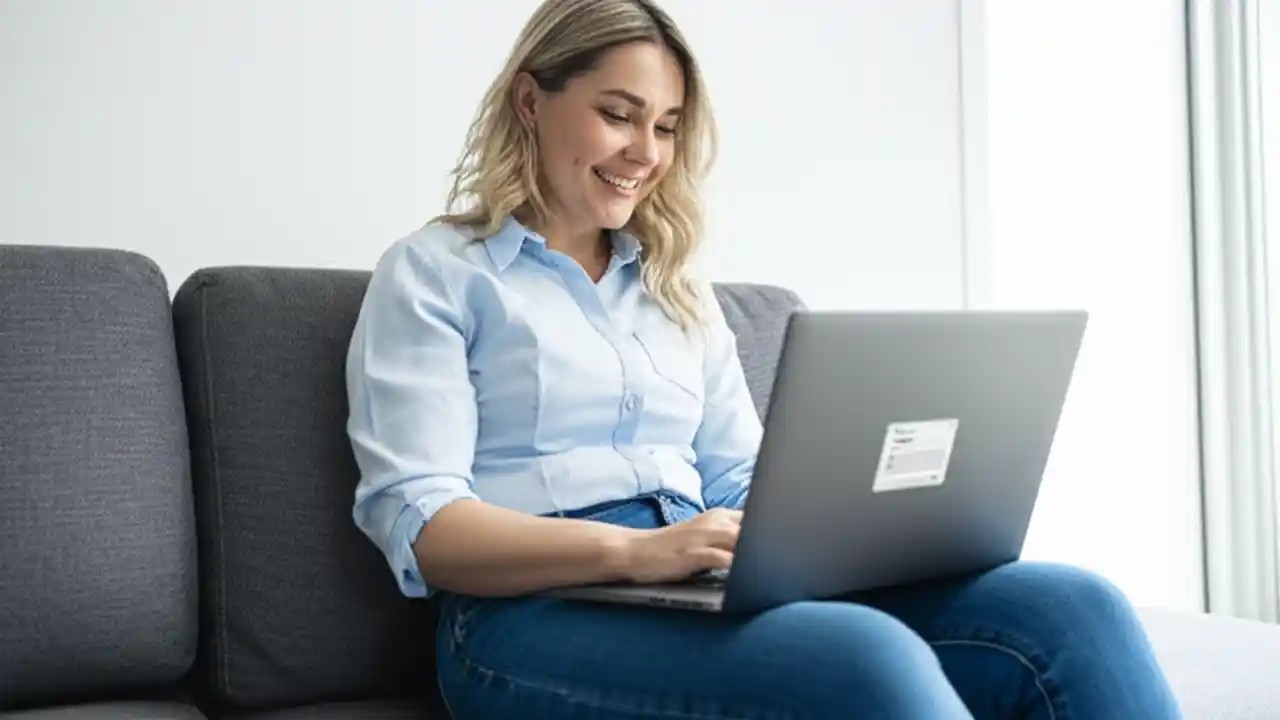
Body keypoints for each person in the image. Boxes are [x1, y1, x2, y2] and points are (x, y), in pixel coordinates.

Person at [344, 0, 1182, 717]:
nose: (646, 151)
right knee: (860, 659)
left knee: (1072, 609)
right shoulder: (437, 274)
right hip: (520, 615)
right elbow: (428, 531)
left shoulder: (675, 287)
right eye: (618, 113)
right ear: (531, 101)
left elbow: (740, 481)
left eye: (666, 126)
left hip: (694, 572)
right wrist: (638, 554)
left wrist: (849, 534)